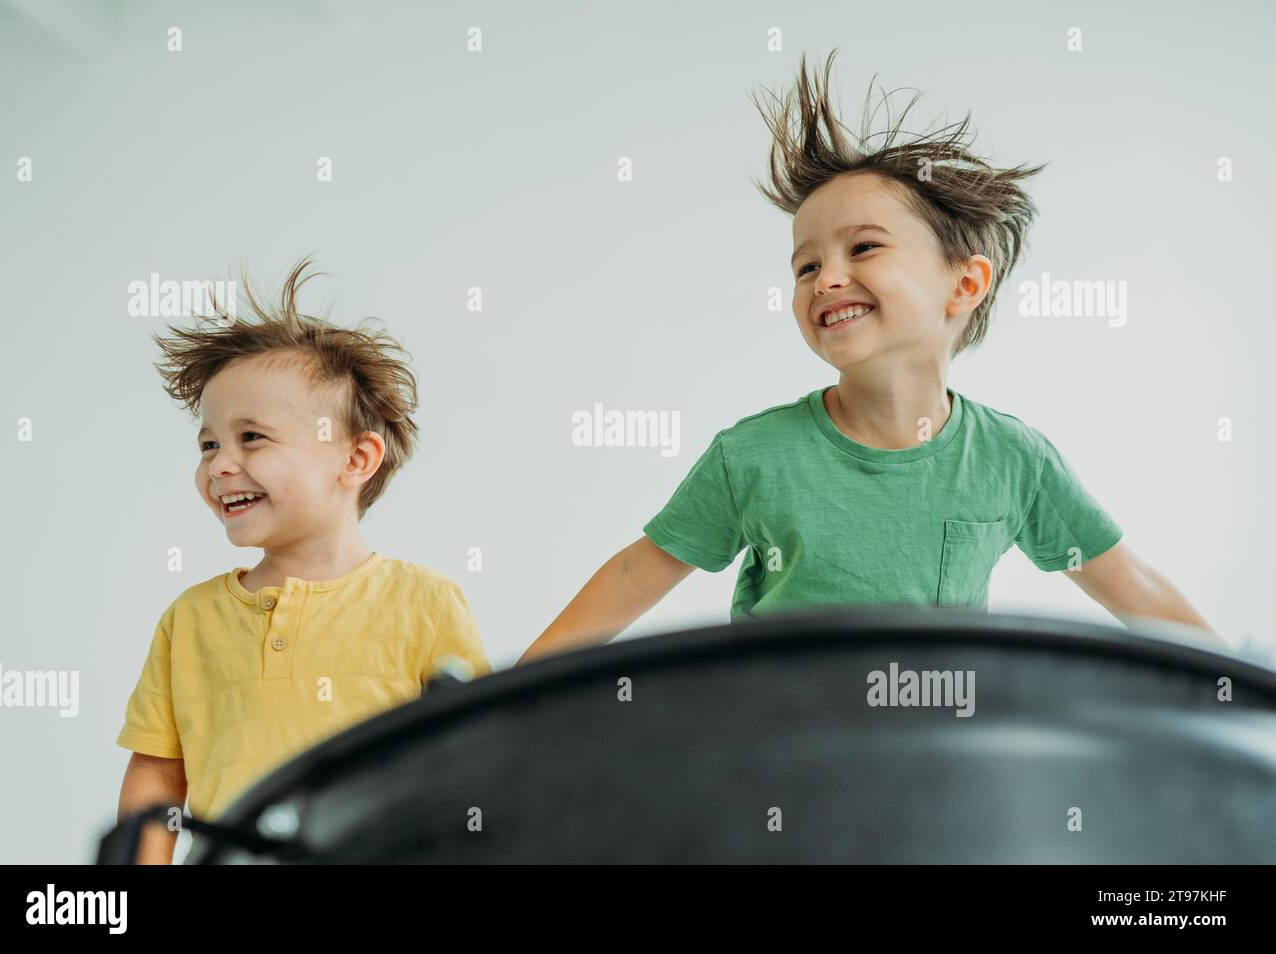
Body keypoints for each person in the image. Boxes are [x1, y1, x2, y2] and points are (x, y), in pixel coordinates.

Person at [520, 50, 1219, 664]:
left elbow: (1134, 587)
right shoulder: (753, 456)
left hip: (929, 766)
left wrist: (1235, 685)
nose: (825, 279)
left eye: (863, 248)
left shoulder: (1015, 460)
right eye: (805, 266)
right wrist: (501, 700)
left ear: (964, 284)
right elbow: (634, 577)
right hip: (782, 765)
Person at [115, 258, 490, 863]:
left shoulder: (426, 603)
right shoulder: (188, 619)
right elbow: (158, 778)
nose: (219, 465)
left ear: (355, 459)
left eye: (251, 437)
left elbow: (470, 757)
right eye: (208, 443)